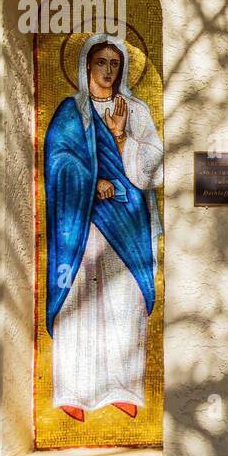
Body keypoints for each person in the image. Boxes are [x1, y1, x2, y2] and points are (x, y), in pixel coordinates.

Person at [44, 34, 163, 422]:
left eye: (115, 63)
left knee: (122, 300)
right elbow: (58, 161)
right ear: (86, 67)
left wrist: (120, 136)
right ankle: (73, 391)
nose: (108, 71)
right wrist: (90, 179)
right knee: (82, 300)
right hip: (82, 222)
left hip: (127, 219)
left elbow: (153, 165)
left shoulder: (136, 110)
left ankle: (123, 387)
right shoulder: (69, 113)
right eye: (101, 63)